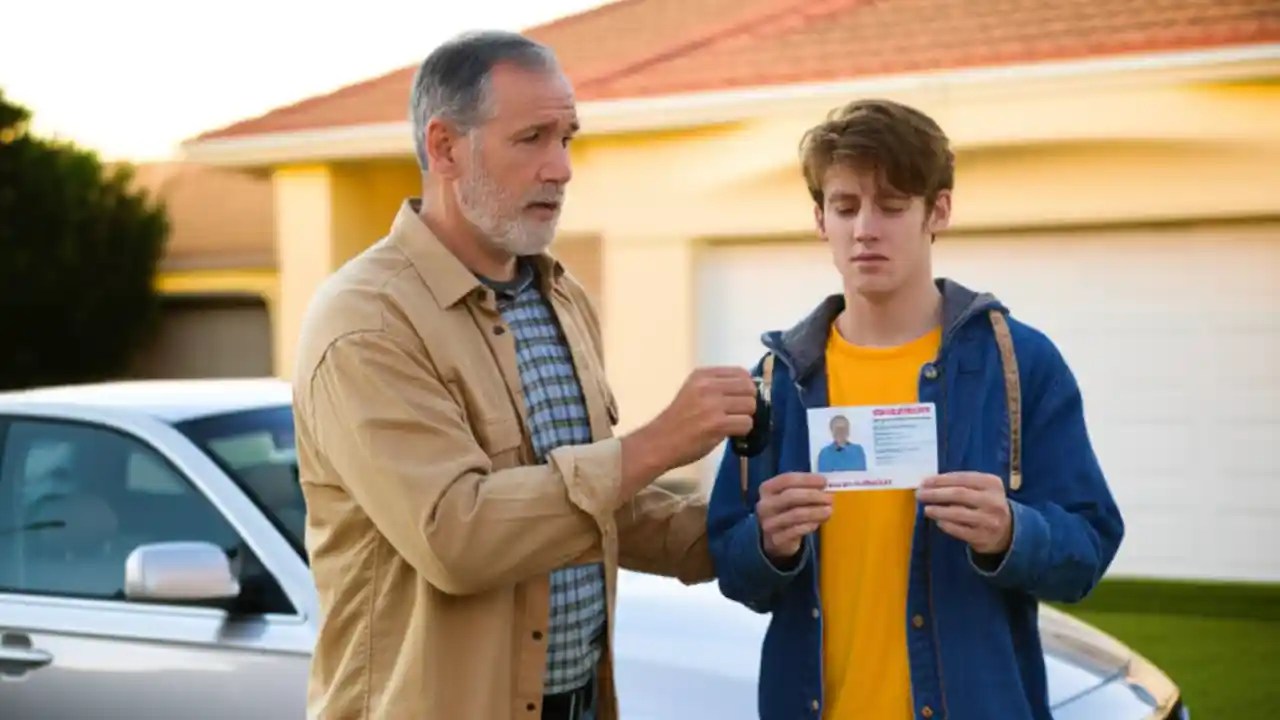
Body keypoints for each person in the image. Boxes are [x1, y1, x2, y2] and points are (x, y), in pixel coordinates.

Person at [291, 31, 757, 720]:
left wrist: (751, 532)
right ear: (445, 147)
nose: (562, 167)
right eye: (533, 138)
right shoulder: (367, 322)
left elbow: (600, 507)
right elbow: (459, 536)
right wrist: (663, 440)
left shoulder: (560, 298)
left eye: (567, 138)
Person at [705, 98, 1124, 720]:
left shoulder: (1019, 365)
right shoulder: (777, 381)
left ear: (940, 211)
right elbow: (738, 575)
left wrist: (1012, 531)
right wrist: (766, 542)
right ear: (821, 218)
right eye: (845, 207)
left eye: (892, 206)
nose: (865, 228)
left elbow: (1087, 550)